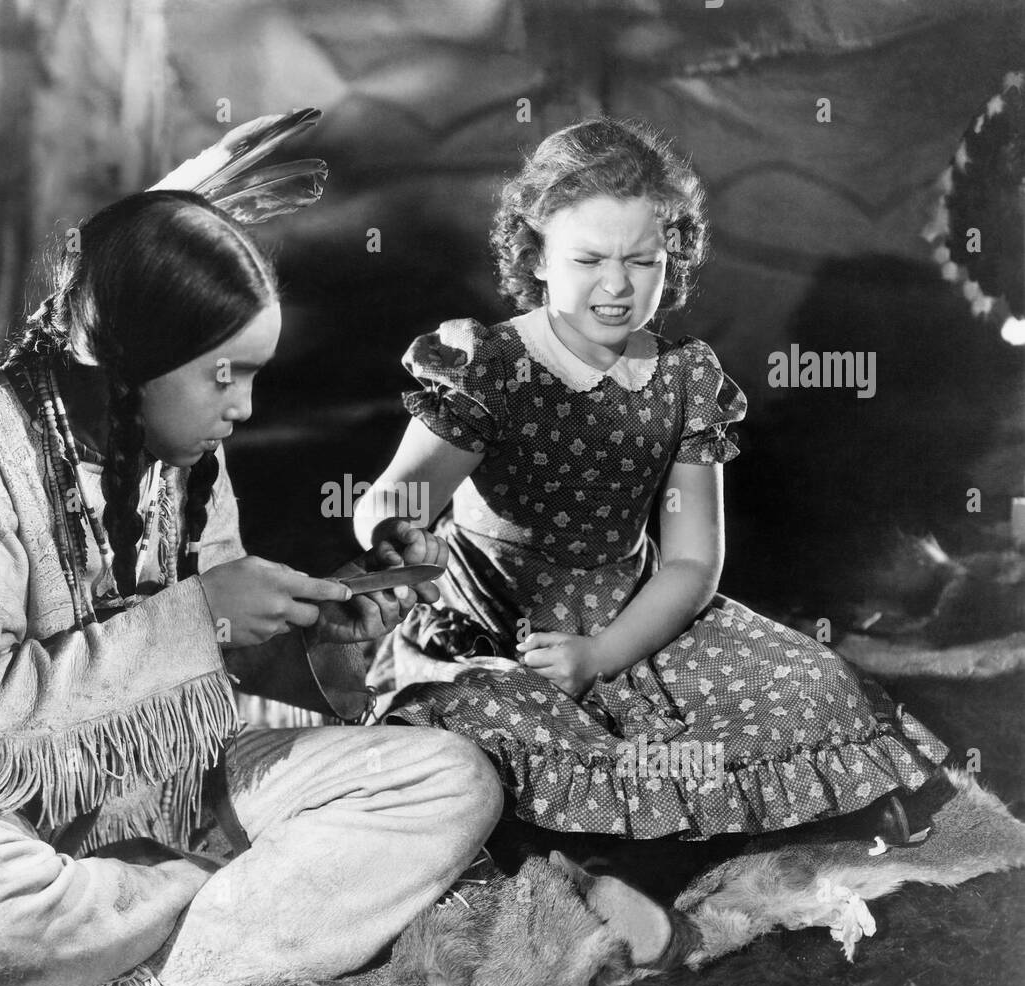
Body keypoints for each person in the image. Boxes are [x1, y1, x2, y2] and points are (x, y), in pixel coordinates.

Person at [0, 173, 502, 986]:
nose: (246, 406)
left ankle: (161, 984)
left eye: (255, 374)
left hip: (174, 783)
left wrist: (315, 632)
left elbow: (208, 675)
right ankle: (220, 905)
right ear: (127, 361)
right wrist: (200, 618)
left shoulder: (186, 453)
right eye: (224, 376)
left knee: (453, 781)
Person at [356, 116, 949, 862]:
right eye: (589, 259)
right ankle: (627, 843)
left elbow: (692, 565)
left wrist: (603, 653)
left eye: (642, 261)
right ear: (537, 257)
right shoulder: (490, 365)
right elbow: (399, 492)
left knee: (822, 682)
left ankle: (672, 833)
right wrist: (392, 533)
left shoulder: (685, 378)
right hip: (499, 639)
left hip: (637, 622)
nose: (616, 285)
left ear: (675, 258)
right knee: (492, 745)